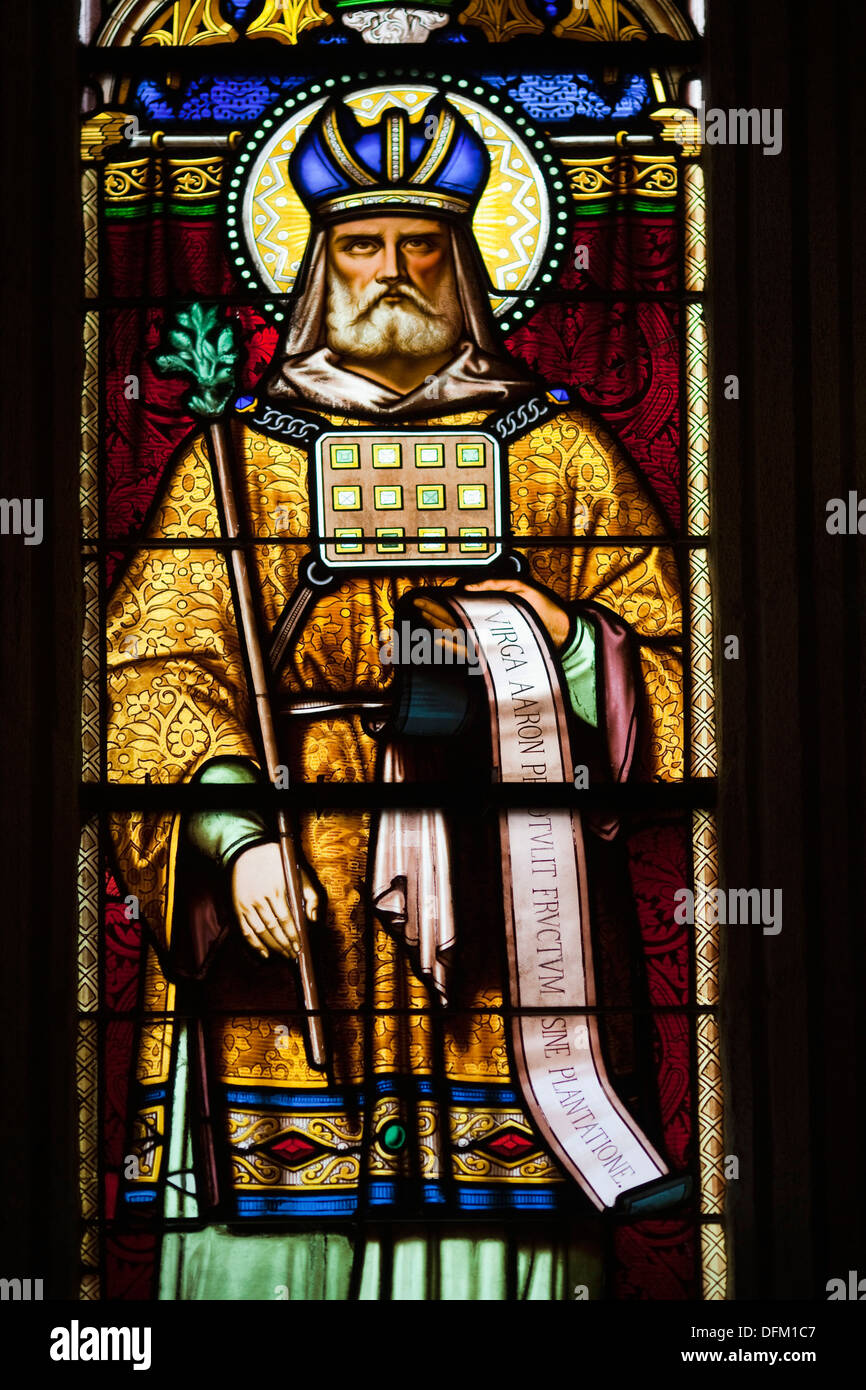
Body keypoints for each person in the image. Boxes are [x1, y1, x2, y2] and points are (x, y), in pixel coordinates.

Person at [107, 96, 683, 1299]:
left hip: (515, 928)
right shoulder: (242, 456)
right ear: (317, 265)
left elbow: (686, 693)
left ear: (466, 264)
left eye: (420, 244)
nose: (391, 272)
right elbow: (155, 674)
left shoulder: (559, 453)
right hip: (291, 918)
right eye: (361, 245)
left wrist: (561, 645)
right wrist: (229, 837)